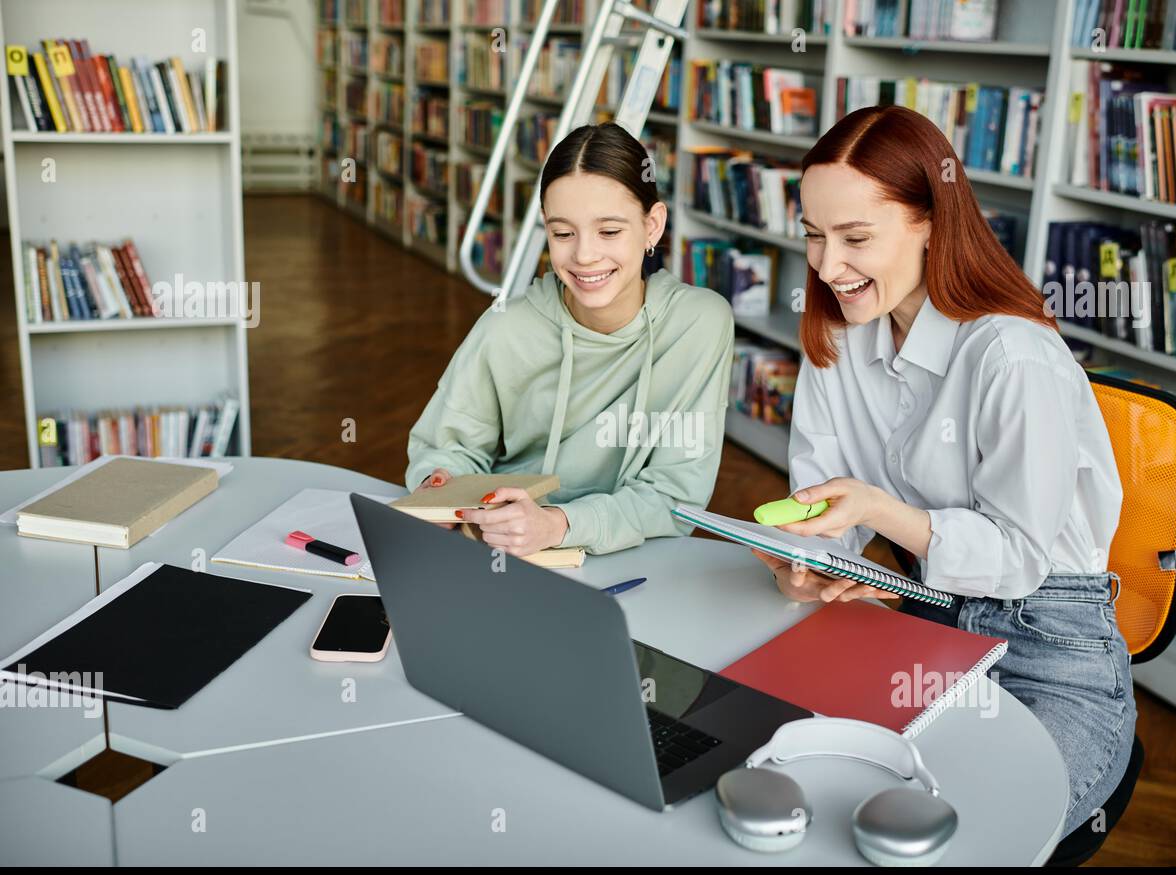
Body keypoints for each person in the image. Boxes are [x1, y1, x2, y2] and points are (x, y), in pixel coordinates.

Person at [753, 105, 1134, 837]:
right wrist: (812, 563)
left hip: (1052, 655)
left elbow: (1019, 559)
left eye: (855, 238)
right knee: (801, 789)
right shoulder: (838, 338)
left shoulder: (1011, 354)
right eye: (813, 236)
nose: (827, 268)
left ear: (932, 223)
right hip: (924, 626)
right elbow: (823, 507)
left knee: (953, 836)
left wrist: (875, 510)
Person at [406, 122, 734, 556]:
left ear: (652, 226)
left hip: (635, 554)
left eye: (610, 231)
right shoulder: (506, 325)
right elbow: (450, 448)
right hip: (503, 548)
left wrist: (558, 525)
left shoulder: (700, 324)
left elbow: (677, 496)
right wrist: (442, 482)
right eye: (563, 233)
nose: (584, 255)